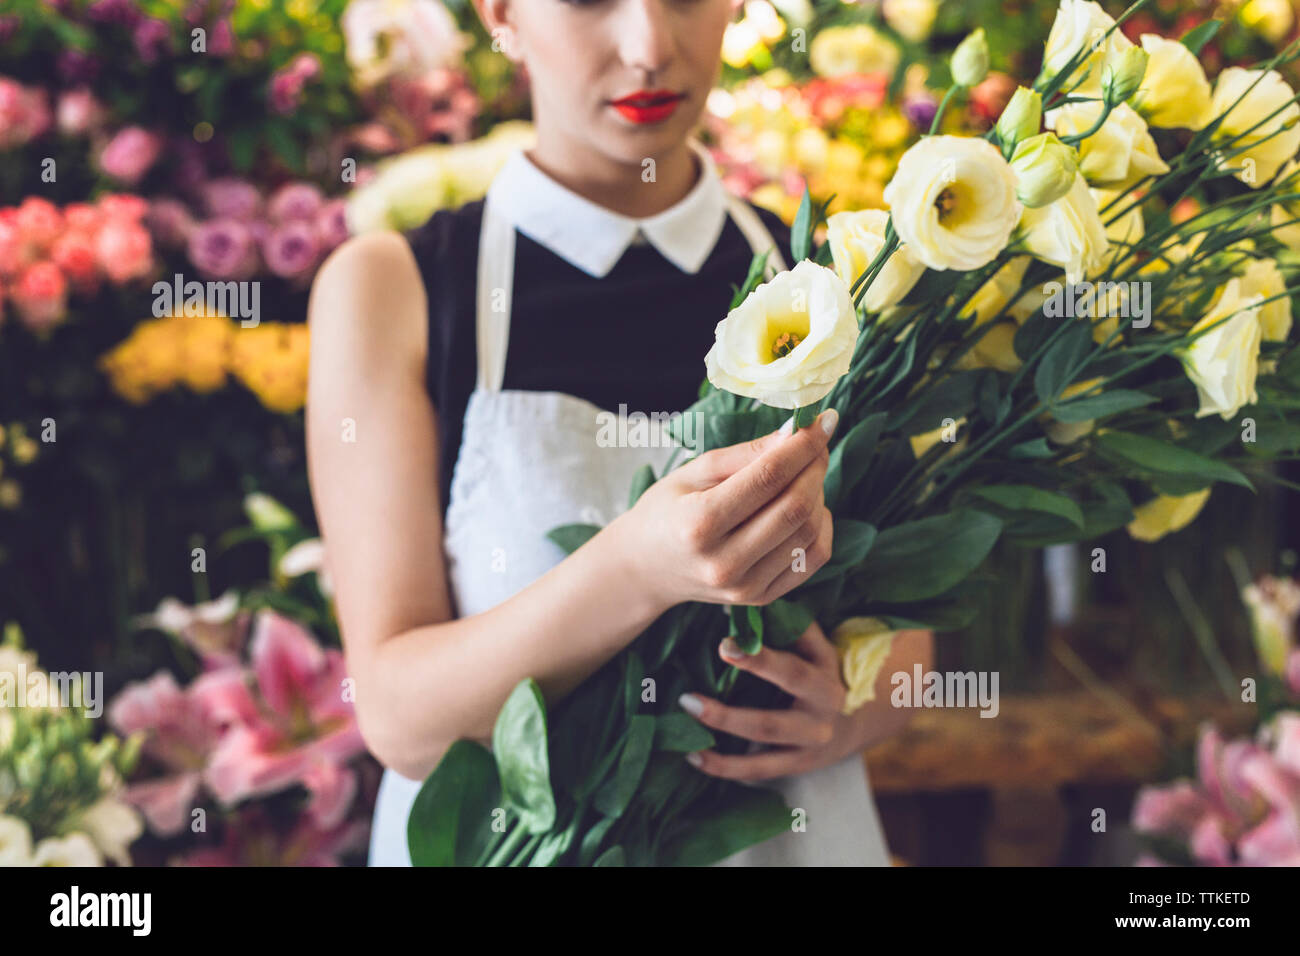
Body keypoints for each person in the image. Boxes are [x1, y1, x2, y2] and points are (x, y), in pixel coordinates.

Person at [306, 0, 933, 867]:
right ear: (501, 13)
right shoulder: (396, 289)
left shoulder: (825, 277)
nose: (649, 47)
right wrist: (635, 569)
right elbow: (400, 718)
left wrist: (848, 711)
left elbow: (912, 643)